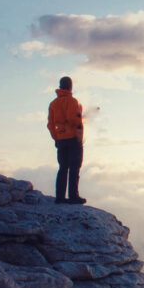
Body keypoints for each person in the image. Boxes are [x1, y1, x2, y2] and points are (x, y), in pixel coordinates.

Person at [47, 76, 86, 204]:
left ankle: (60, 197)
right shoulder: (72, 101)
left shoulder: (53, 104)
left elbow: (50, 124)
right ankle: (73, 196)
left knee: (63, 167)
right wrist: (79, 134)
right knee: (74, 167)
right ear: (70, 86)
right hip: (73, 139)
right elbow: (73, 120)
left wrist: (56, 137)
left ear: (60, 86)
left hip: (61, 140)